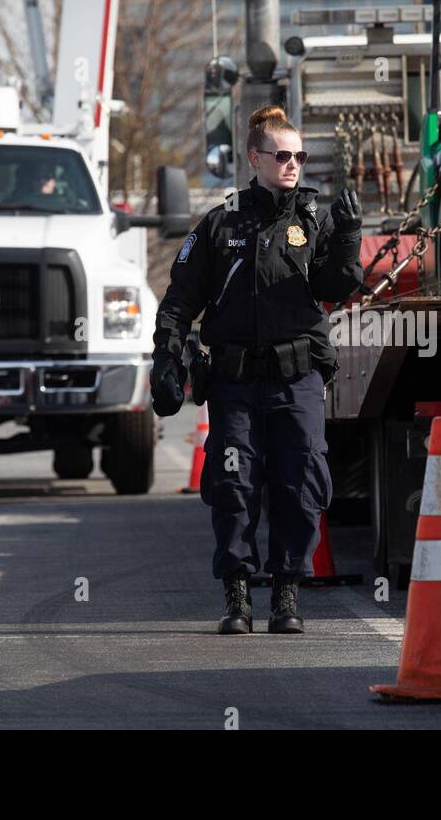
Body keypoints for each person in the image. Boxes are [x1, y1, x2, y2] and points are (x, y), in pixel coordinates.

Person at [151, 105, 363, 635]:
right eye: (282, 155)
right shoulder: (221, 224)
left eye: (299, 156)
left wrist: (348, 238)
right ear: (255, 158)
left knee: (303, 481)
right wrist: (166, 359)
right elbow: (179, 301)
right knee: (233, 483)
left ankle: (287, 591)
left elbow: (336, 290)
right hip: (235, 381)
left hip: (298, 378)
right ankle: (238, 594)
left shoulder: (313, 221)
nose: (292, 164)